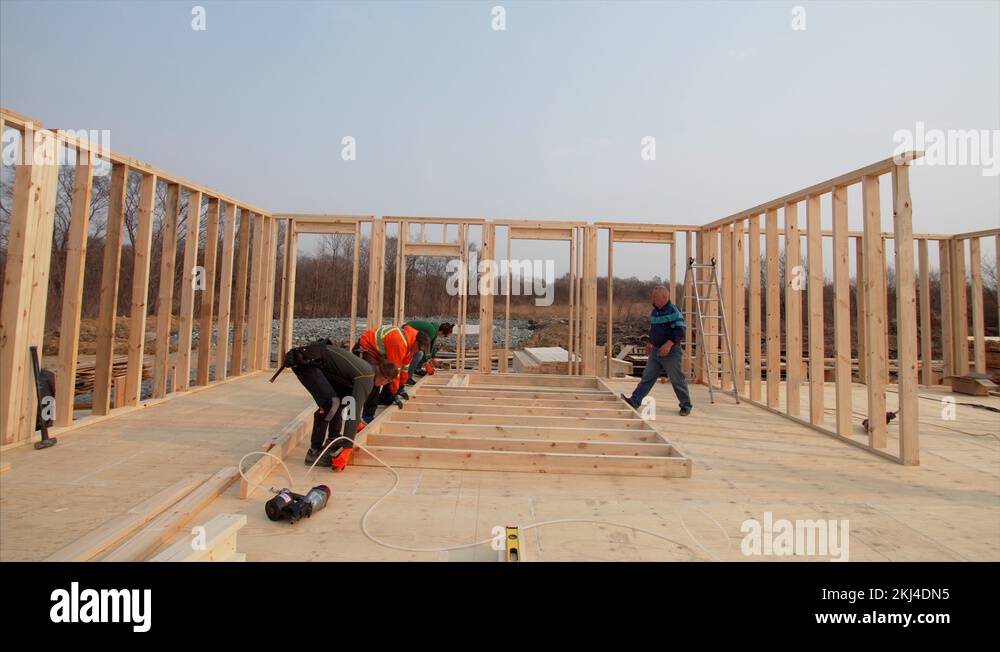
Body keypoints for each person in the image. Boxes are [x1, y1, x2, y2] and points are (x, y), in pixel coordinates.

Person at [284, 339, 398, 470]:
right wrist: (348, 448)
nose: (385, 385)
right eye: (388, 383)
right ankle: (314, 452)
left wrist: (355, 424)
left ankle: (332, 439)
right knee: (330, 404)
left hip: (314, 361)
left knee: (340, 399)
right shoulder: (367, 377)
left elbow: (348, 402)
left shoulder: (368, 372)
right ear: (385, 378)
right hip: (305, 362)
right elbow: (354, 411)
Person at [621, 285, 692, 416]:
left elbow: (680, 330)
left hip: (671, 352)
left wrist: (669, 344)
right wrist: (650, 342)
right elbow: (654, 330)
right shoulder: (655, 312)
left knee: (677, 379)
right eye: (652, 296)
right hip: (656, 351)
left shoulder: (673, 311)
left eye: (655, 297)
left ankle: (686, 406)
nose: (652, 299)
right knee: (647, 377)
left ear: (664, 297)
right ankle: (635, 401)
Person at [354, 325, 430, 418]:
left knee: (383, 378)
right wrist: (394, 392)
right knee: (376, 378)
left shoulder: (410, 346)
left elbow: (404, 368)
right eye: (419, 349)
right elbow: (395, 371)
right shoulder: (399, 342)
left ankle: (382, 400)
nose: (419, 351)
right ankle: (368, 416)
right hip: (366, 347)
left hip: (377, 353)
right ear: (416, 343)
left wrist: (401, 386)